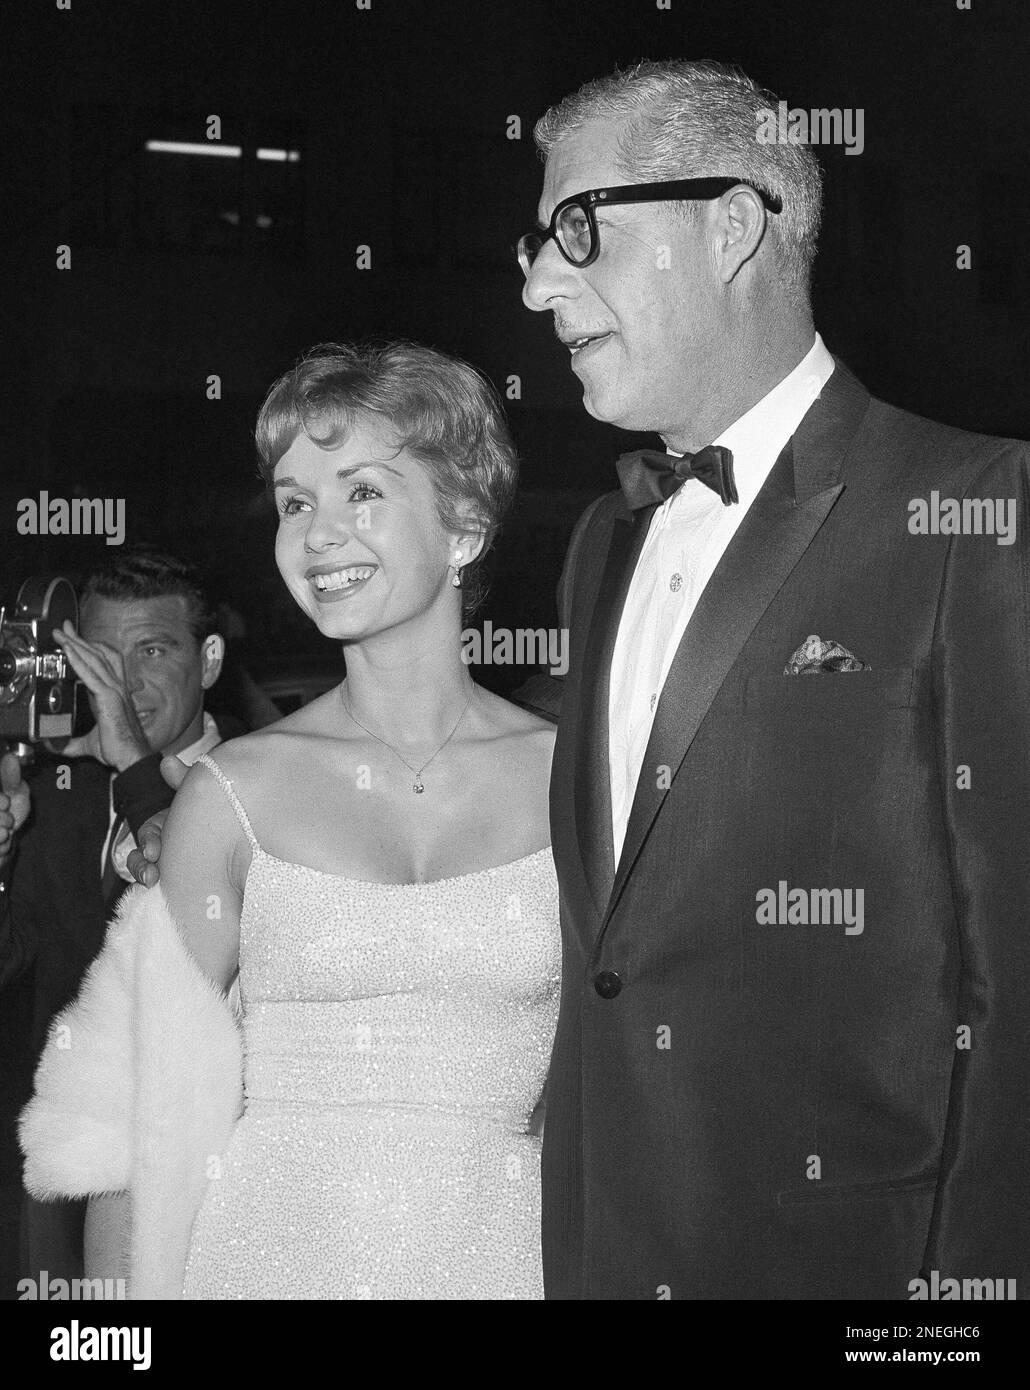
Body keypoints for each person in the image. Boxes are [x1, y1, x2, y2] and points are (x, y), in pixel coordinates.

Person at [516, 59, 1030, 1299]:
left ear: (732, 225)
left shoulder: (977, 504)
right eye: (533, 242)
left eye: (575, 228)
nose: (536, 284)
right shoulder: (602, 543)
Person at [20, 342, 559, 1300]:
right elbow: (141, 1125)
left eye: (362, 493)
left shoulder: (573, 782)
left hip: (507, 1265)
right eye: (295, 503)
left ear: (466, 527)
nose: (318, 535)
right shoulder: (234, 794)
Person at [0, 547, 229, 1291]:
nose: (122, 683)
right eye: (101, 658)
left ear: (211, 660)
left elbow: (186, 904)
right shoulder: (55, 800)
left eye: (152, 651)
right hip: (60, 1201)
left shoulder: (267, 785)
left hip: (214, 1183)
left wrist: (132, 763)